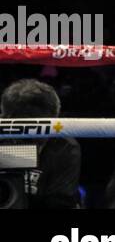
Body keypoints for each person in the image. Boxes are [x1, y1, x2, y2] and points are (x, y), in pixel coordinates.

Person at [0, 79, 80, 209]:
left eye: (37, 137)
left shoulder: (64, 146)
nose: (31, 143)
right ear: (6, 119)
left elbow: (59, 202)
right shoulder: (3, 135)